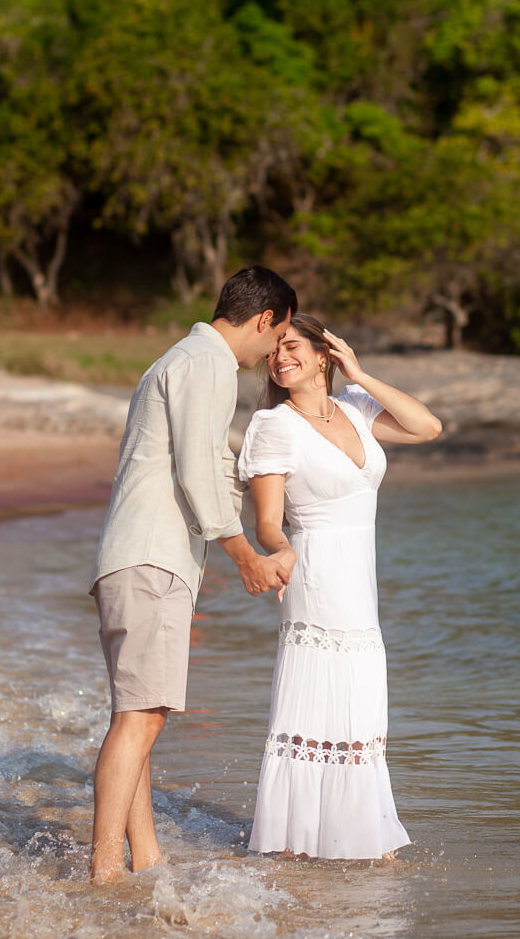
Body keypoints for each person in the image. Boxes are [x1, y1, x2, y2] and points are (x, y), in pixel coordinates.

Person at [88, 266, 297, 883]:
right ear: (265, 319)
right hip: (153, 559)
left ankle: (146, 856)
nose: (272, 353)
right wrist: (245, 555)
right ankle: (103, 871)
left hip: (128, 556)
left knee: (137, 715)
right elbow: (199, 471)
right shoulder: (208, 364)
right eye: (277, 336)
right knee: (140, 719)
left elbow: (201, 464)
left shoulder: (178, 358)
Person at [238, 314, 442, 860]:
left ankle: (355, 832)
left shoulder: (356, 405)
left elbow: (427, 427)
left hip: (359, 580)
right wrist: (278, 550)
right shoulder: (274, 426)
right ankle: (296, 837)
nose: (280, 357)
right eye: (273, 350)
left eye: (292, 346)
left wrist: (362, 374)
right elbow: (267, 522)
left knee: (360, 698)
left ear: (323, 354)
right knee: (317, 699)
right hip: (315, 571)